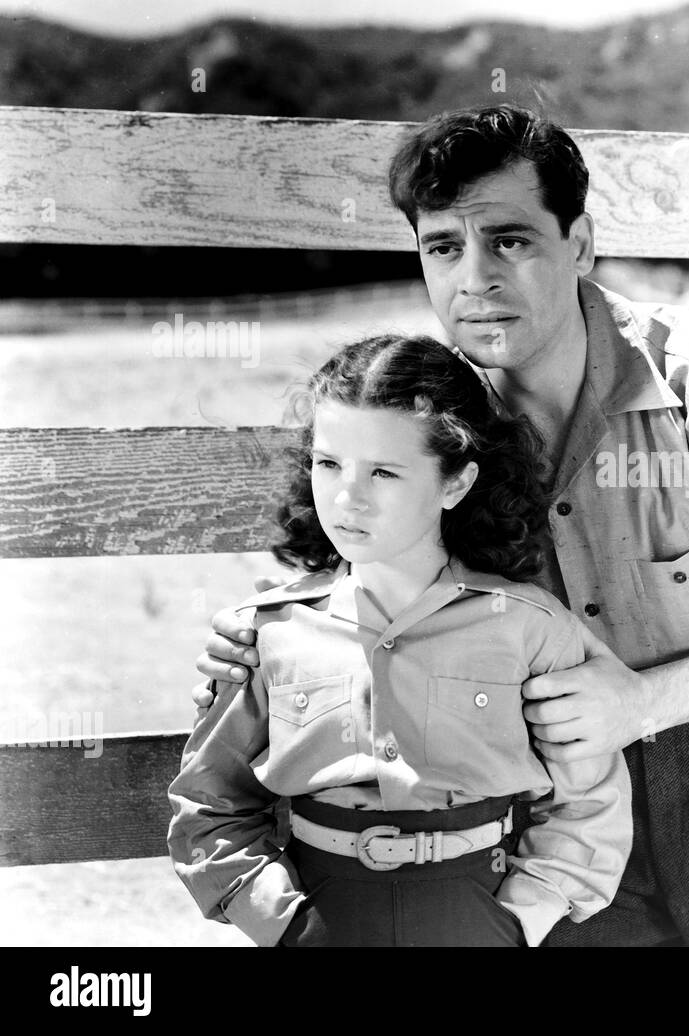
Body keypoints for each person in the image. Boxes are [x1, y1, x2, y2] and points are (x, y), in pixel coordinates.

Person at [194, 105, 689, 946]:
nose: (474, 278)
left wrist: (637, 704)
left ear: (581, 244)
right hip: (569, 803)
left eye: (510, 241)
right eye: (443, 248)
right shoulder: (436, 419)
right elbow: (376, 560)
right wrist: (269, 636)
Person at [169, 334, 631, 947]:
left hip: (478, 910)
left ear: (455, 483)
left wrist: (518, 921)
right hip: (321, 913)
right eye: (328, 463)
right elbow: (209, 804)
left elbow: (588, 801)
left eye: (383, 472)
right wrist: (282, 924)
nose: (346, 497)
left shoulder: (528, 627)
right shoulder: (267, 633)